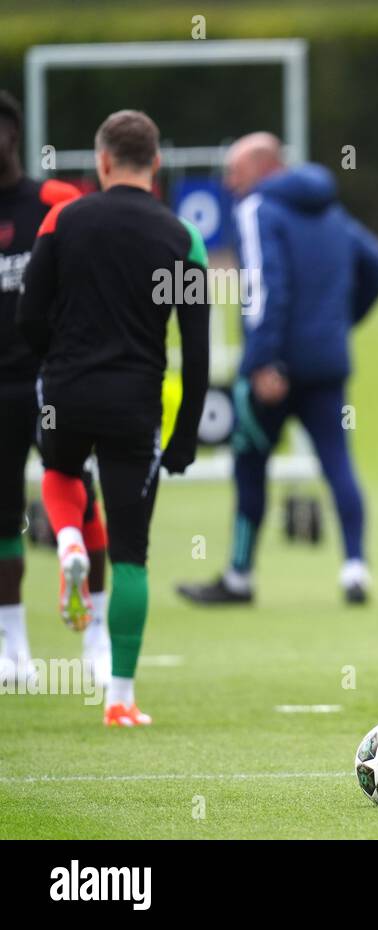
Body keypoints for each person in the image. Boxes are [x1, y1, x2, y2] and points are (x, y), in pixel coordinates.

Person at [18, 109, 209, 725]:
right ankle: (121, 697)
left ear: (102, 162)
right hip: (135, 403)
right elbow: (198, 348)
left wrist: (59, 358)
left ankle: (68, 538)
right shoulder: (181, 236)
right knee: (131, 556)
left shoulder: (62, 217)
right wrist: (183, 437)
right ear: (156, 165)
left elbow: (28, 316)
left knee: (62, 471)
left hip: (66, 391)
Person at [176, 132, 378, 607]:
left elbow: (264, 288)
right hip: (327, 361)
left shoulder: (258, 210)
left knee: (249, 462)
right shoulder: (332, 210)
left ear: (262, 166)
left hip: (275, 369)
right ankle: (355, 568)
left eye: (235, 171)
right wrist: (338, 324)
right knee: (337, 461)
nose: (229, 183)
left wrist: (262, 359)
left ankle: (239, 577)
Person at [0, 90, 113, 686]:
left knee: (79, 492)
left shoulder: (55, 201)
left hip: (50, 379)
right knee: (3, 514)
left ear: (13, 135)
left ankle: (95, 638)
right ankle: (12, 646)